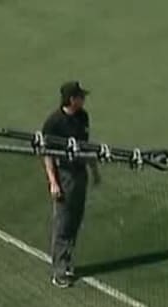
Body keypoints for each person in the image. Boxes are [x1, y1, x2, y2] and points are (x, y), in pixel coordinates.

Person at [41, 81, 100, 288]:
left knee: (75, 219)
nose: (83, 99)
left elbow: (85, 146)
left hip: (80, 173)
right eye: (80, 97)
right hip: (64, 174)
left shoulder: (83, 117)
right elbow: (46, 152)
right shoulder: (54, 122)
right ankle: (59, 270)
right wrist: (53, 182)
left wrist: (94, 171)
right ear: (72, 99)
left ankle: (66, 261)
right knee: (63, 222)